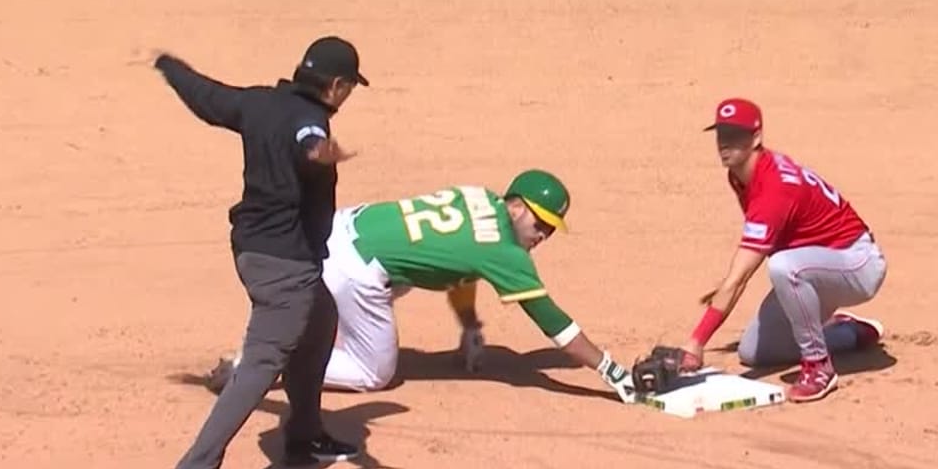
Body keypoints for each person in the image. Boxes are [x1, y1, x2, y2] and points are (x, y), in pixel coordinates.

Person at [153, 35, 369, 469]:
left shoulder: (258, 103)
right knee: (261, 364)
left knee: (321, 317)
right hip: (284, 263)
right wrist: (320, 153)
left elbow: (207, 97)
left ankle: (304, 434)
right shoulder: (310, 121)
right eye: (350, 86)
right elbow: (307, 142)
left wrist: (170, 66)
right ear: (336, 85)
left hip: (255, 248)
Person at [207, 171, 645, 403]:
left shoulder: (480, 199)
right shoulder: (506, 253)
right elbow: (553, 322)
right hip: (354, 270)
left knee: (404, 276)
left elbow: (458, 263)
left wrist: (469, 325)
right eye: (540, 222)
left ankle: (318, 327)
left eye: (551, 229)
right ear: (514, 206)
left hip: (337, 228)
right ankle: (264, 365)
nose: (543, 235)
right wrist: (610, 371)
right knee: (374, 374)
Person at [675, 98, 888, 403]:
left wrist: (696, 342)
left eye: (735, 135)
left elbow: (743, 275)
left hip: (856, 263)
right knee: (755, 352)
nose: (726, 144)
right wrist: (730, 282)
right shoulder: (740, 175)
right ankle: (851, 333)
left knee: (783, 266)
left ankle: (819, 368)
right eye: (722, 135)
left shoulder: (774, 186)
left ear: (756, 137)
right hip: (817, 266)